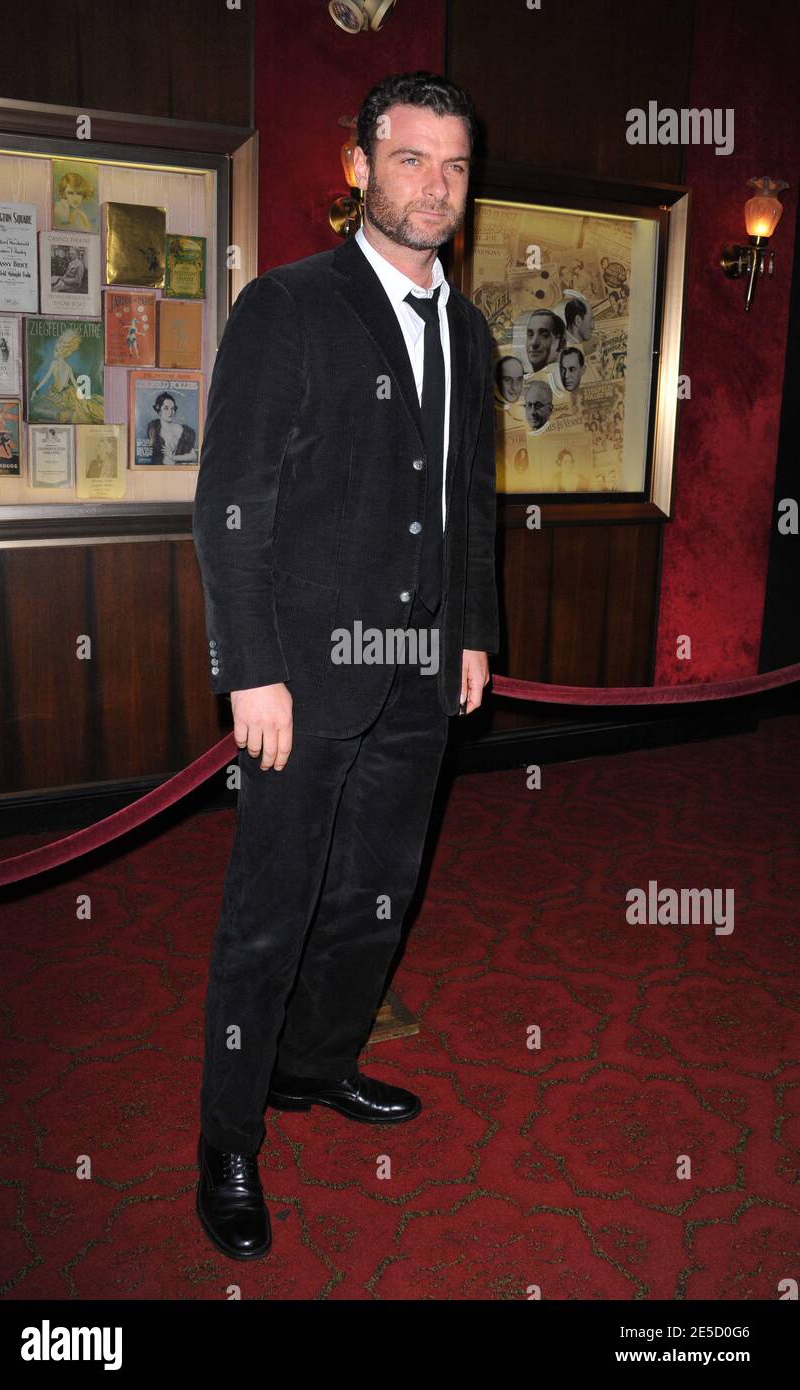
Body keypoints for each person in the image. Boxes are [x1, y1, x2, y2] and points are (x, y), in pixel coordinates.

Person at [192, 70, 499, 1262]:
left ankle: (316, 1068)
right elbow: (232, 500)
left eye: (455, 165)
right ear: (363, 165)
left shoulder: (468, 331)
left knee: (379, 897)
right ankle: (227, 1136)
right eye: (412, 157)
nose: (434, 184)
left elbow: (466, 502)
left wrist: (471, 630)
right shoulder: (288, 306)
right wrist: (249, 668)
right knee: (267, 916)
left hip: (420, 675)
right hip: (300, 682)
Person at [146, 391, 197, 464]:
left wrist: (173, 457)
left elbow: (193, 456)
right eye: (166, 408)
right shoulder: (153, 429)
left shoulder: (179, 429)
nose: (170, 412)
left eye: (172, 408)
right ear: (159, 410)